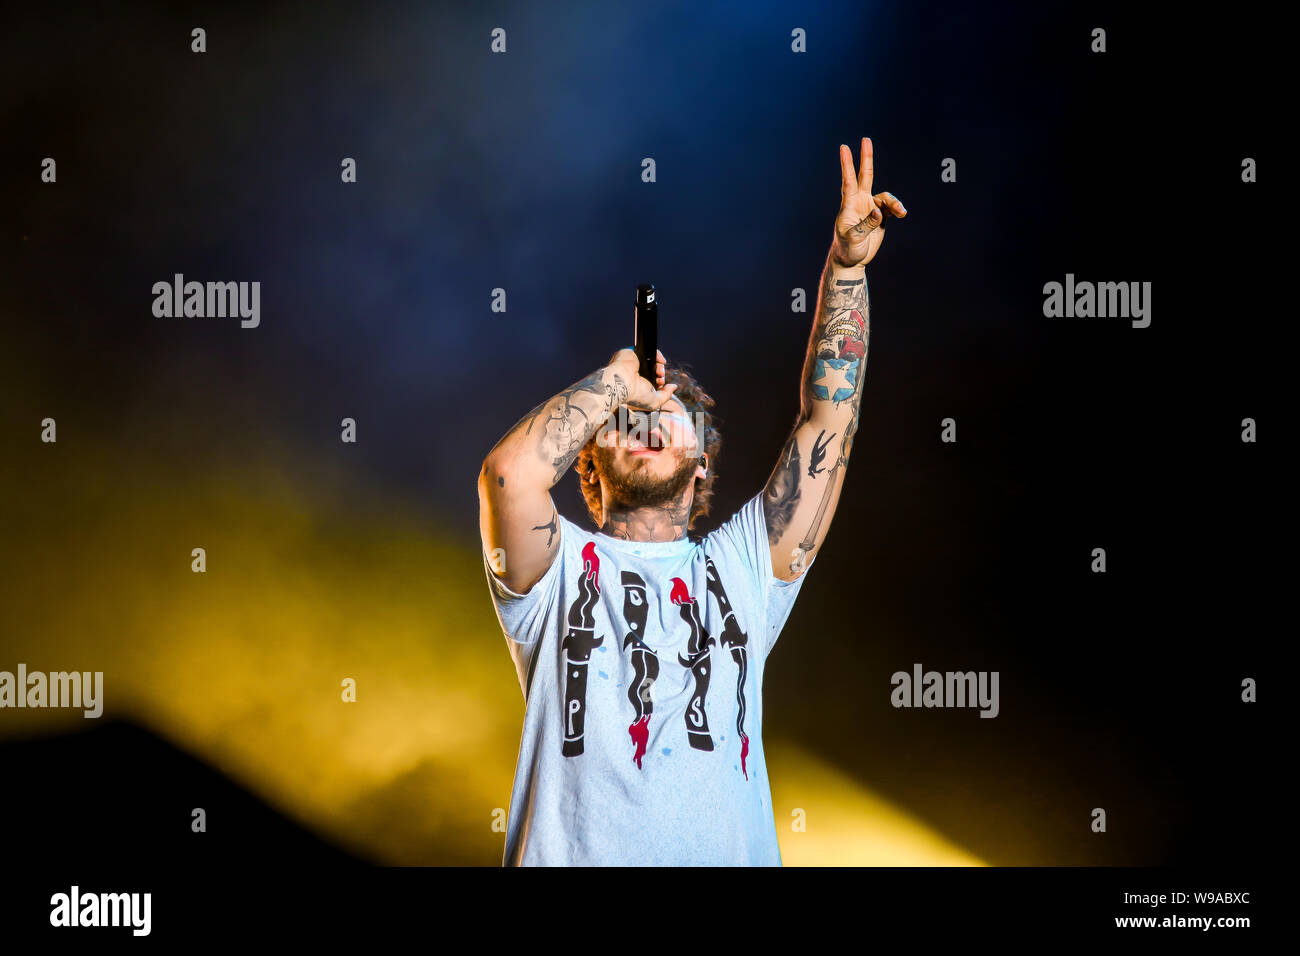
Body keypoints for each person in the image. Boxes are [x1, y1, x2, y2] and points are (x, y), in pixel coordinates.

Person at [478, 137, 906, 865]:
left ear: (702, 467)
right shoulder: (554, 571)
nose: (646, 415)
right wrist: (617, 381)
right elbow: (509, 478)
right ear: (589, 468)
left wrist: (846, 270)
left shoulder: (742, 565)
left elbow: (828, 421)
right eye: (627, 418)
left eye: (668, 411)